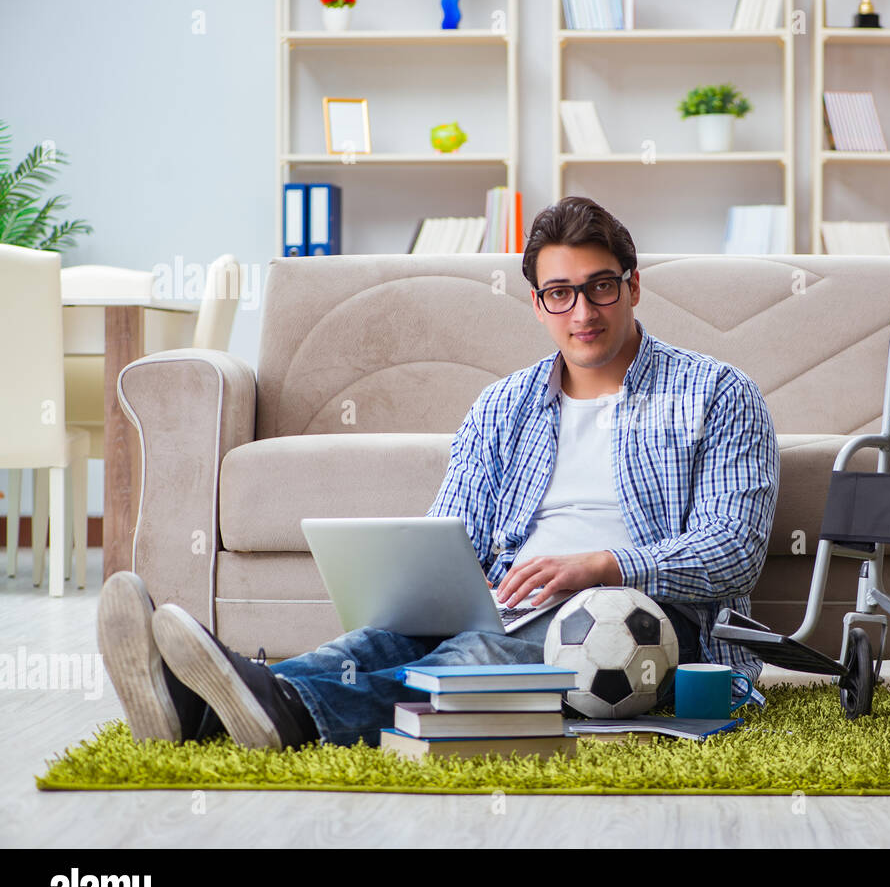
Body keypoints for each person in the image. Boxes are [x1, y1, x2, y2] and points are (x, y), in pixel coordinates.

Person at [97, 196, 780, 749]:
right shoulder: (502, 405)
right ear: (538, 304)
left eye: (601, 287)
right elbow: (450, 527)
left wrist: (598, 565)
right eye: (561, 293)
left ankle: (276, 700)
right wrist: (458, 581)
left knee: (485, 649)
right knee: (385, 638)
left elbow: (735, 551)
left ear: (633, 285)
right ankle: (202, 708)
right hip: (515, 601)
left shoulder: (717, 393)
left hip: (645, 621)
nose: (583, 312)